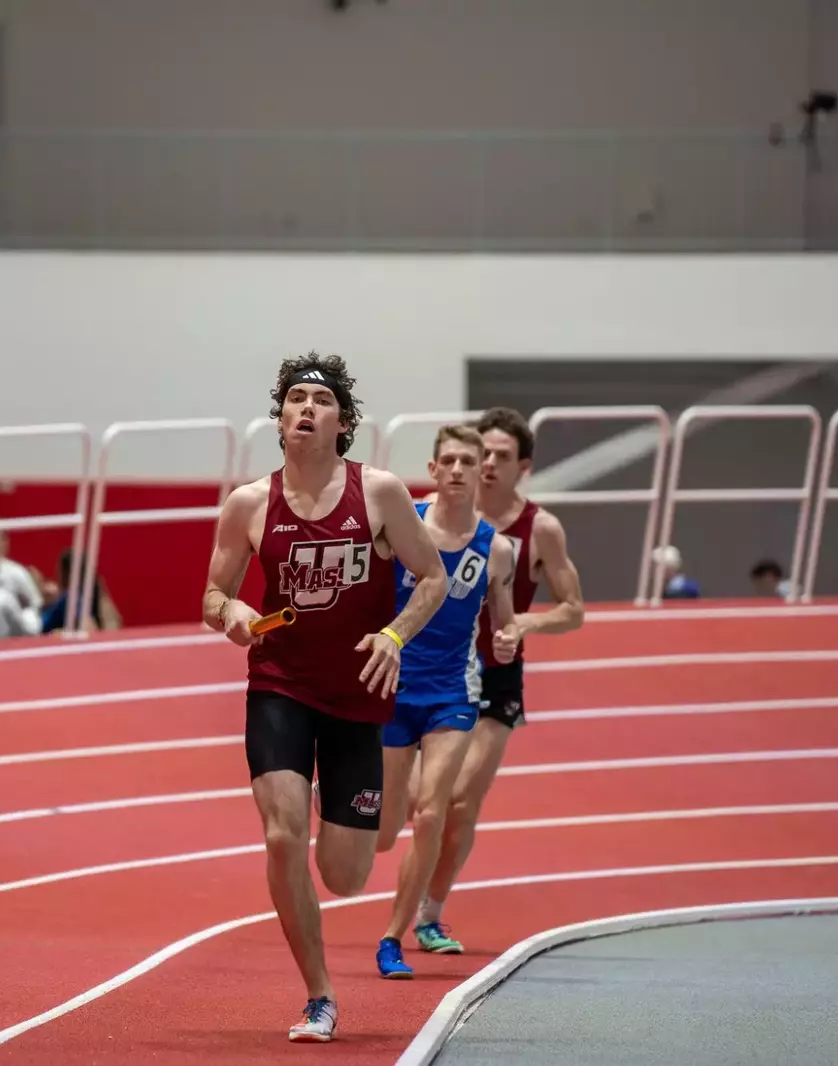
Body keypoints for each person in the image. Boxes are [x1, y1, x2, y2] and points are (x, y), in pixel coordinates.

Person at [201, 352, 448, 1044]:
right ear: (279, 417)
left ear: (344, 423)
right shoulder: (249, 504)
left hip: (355, 696)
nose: (306, 408)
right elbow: (213, 595)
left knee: (344, 876)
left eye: (322, 400)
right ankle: (319, 996)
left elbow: (431, 578)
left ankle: (328, 795)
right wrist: (233, 616)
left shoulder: (380, 494)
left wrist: (396, 637)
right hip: (280, 686)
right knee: (283, 836)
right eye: (295, 398)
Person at [414, 406, 585, 955]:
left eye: (501, 457)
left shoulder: (541, 530)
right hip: (430, 670)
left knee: (460, 802)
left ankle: (430, 914)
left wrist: (522, 623)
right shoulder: (430, 516)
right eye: (481, 453)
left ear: (524, 467)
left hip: (495, 677)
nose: (486, 464)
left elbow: (573, 608)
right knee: (416, 803)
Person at [373, 424, 520, 980]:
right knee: (385, 832)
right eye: (448, 461)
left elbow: (503, 629)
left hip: (453, 693)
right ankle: (334, 789)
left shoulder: (497, 550)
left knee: (432, 812)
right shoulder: (399, 525)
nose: (458, 470)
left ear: (481, 469)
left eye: (468, 461)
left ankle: (393, 938)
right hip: (391, 684)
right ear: (433, 471)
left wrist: (508, 639)